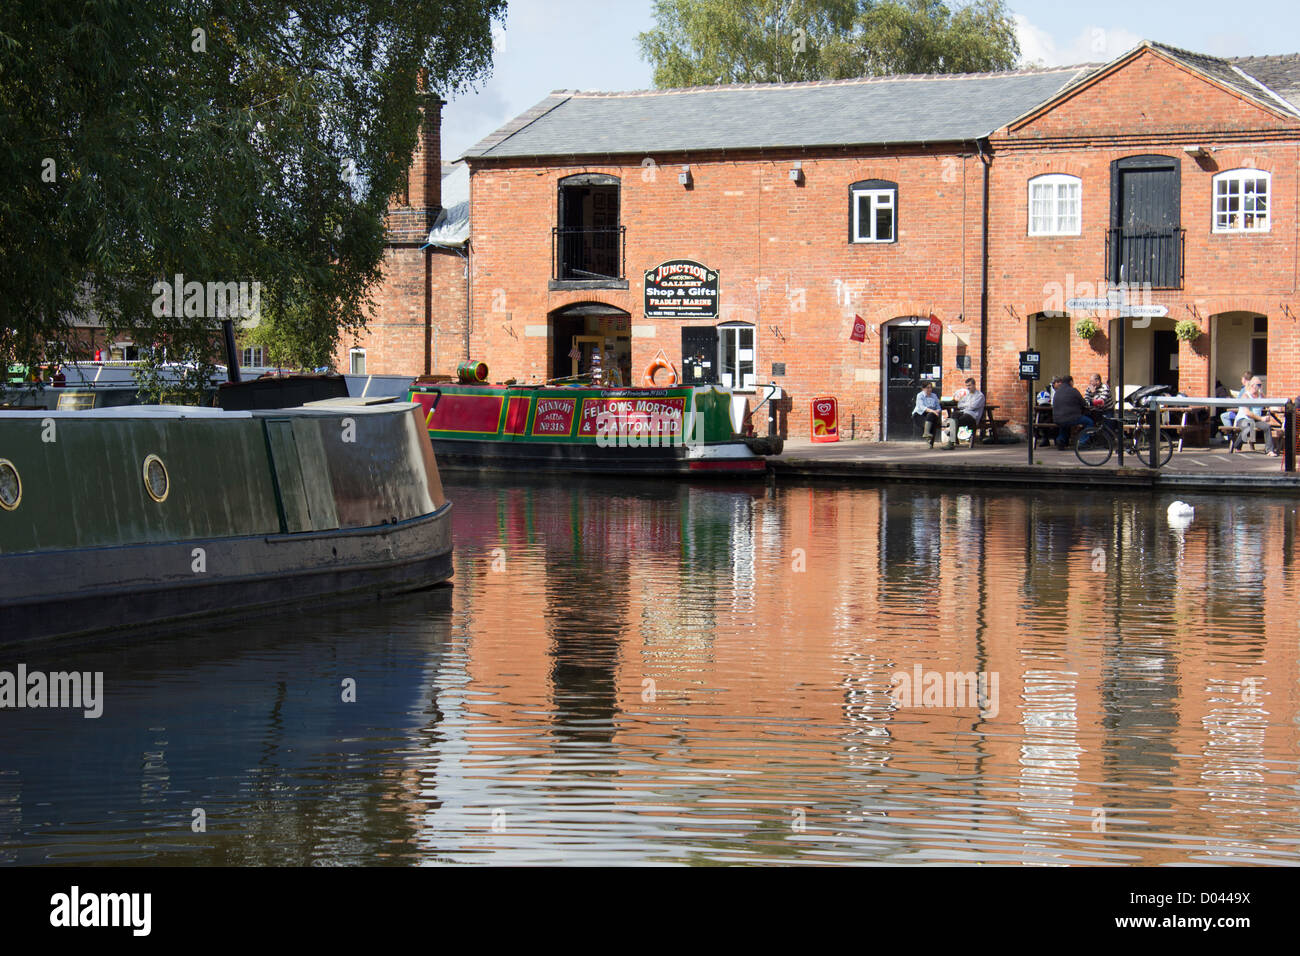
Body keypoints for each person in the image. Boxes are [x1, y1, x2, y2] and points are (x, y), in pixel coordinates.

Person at [1234, 376, 1277, 456]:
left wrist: (1275, 408)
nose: (1261, 387)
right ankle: (1237, 446)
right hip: (1244, 419)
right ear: (1252, 385)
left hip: (1255, 419)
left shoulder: (1261, 395)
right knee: (1248, 426)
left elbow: (1268, 405)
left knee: (1267, 426)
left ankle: (1269, 450)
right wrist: (1261, 418)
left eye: (1261, 385)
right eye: (1259, 385)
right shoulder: (1246, 396)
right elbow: (1247, 413)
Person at [1052, 375, 1095, 450]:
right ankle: (1082, 441)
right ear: (1070, 382)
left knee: (1064, 425)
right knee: (1089, 422)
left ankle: (1060, 440)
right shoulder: (1073, 391)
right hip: (1072, 417)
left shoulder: (1057, 392)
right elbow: (1084, 403)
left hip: (1057, 418)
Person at [942, 377, 985, 449]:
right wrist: (967, 405)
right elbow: (959, 405)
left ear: (974, 385)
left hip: (972, 416)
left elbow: (973, 407)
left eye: (969, 385)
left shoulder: (980, 396)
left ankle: (950, 437)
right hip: (964, 412)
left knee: (954, 421)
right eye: (967, 386)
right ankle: (951, 440)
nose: (968, 387)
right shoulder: (967, 395)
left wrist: (965, 405)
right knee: (954, 414)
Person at [1220, 370, 1252, 439]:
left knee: (1223, 416)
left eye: (1241, 379)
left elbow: (1238, 403)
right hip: (1249, 414)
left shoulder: (1244, 389)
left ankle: (1231, 436)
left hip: (1241, 414)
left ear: (1244, 379)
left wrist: (1231, 400)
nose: (1241, 380)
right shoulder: (1253, 389)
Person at [912, 381, 942, 447]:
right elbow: (922, 407)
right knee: (931, 415)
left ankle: (929, 440)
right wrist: (933, 411)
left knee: (933, 417)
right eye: (927, 388)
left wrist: (937, 411)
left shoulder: (934, 396)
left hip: (931, 414)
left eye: (930, 387)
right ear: (923, 388)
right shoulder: (920, 395)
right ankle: (927, 434)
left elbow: (938, 407)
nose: (929, 389)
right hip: (920, 414)